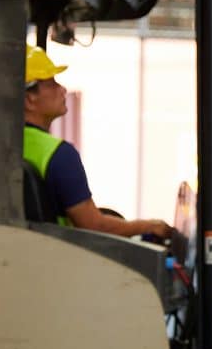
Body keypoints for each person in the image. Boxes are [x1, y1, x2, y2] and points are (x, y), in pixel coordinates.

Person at [23, 44, 172, 239]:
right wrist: (150, 226)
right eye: (51, 84)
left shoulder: (3, 147)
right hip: (57, 252)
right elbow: (94, 225)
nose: (62, 89)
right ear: (29, 99)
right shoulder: (58, 154)